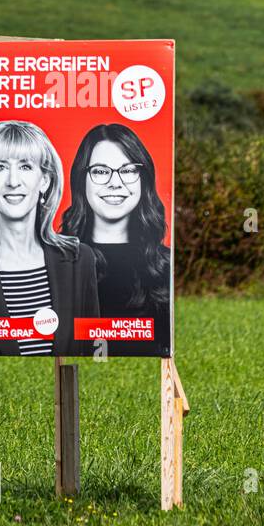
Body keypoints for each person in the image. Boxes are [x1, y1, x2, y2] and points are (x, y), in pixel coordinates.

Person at [0, 121, 99, 357]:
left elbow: (92, 350)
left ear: (44, 180)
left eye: (25, 166)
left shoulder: (79, 259)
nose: (13, 181)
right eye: (0, 167)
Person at [61, 123, 172, 356]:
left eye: (128, 170)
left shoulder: (165, 265)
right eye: (101, 171)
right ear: (82, 180)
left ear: (143, 179)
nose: (115, 182)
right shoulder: (54, 261)